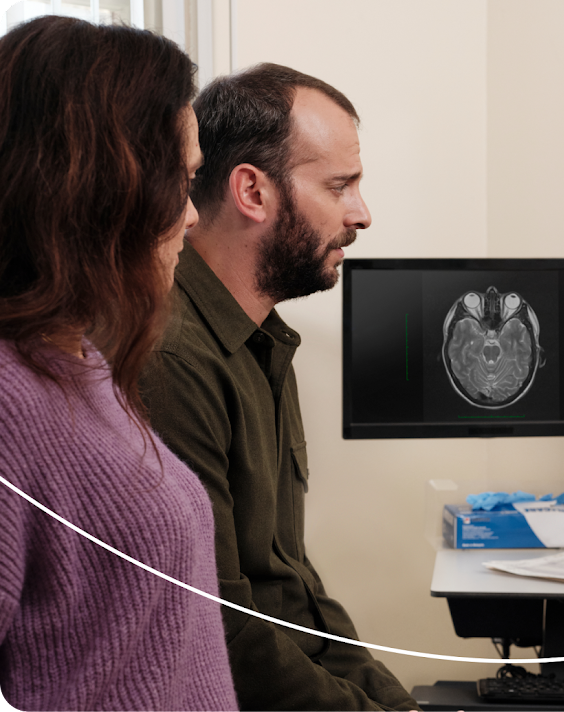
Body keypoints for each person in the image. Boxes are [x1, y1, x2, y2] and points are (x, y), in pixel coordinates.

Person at [139, 64, 419, 712]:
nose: (362, 214)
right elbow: (224, 628)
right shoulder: (173, 357)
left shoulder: (262, 342)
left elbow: (293, 592)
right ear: (253, 193)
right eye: (340, 186)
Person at [0, 16, 238, 712]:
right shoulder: (11, 398)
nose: (193, 216)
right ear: (105, 184)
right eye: (185, 180)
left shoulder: (82, 364)